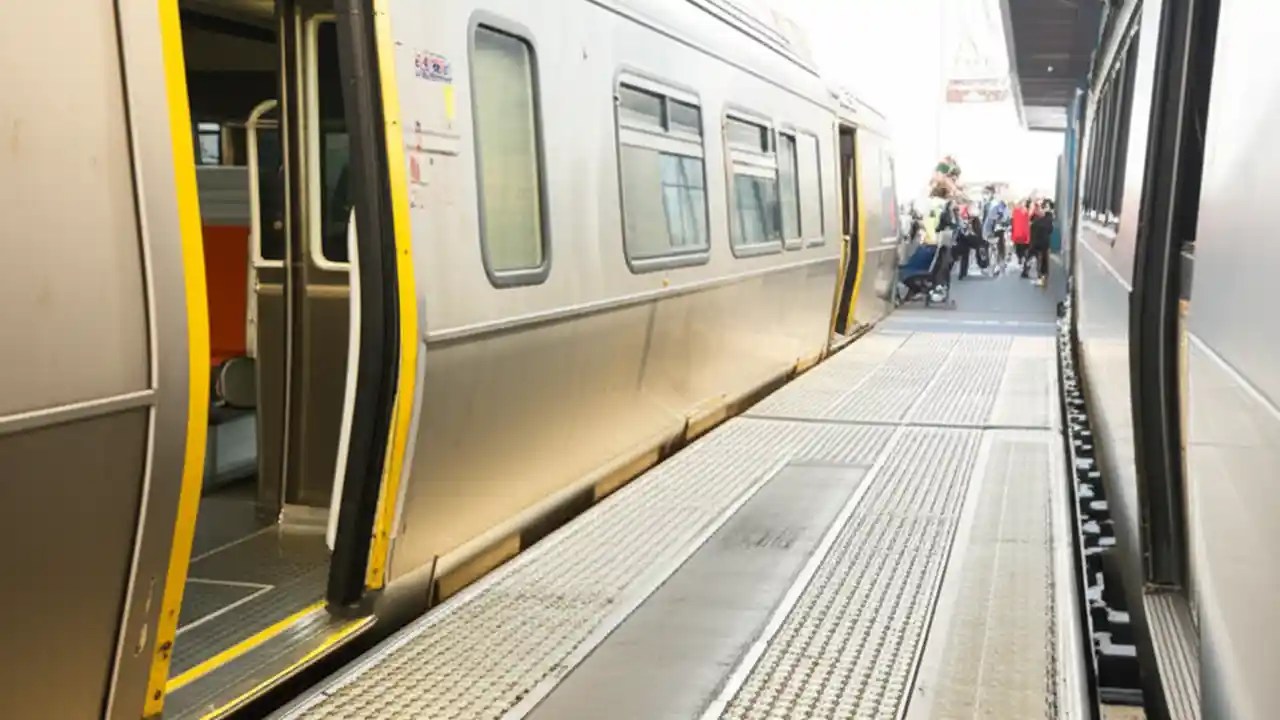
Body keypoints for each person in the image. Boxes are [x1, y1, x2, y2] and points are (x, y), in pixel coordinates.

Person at [1027, 199, 1055, 286]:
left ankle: (1041, 278)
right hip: (1044, 242)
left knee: (1041, 261)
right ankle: (1042, 278)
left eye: (1045, 206)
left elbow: (1035, 227)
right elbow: (1050, 230)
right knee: (1043, 261)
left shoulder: (1044, 219)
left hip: (1039, 242)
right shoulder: (1048, 218)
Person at [1011, 199, 1032, 266]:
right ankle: (1024, 259)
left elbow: (1013, 221)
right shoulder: (1025, 211)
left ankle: (1020, 258)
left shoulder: (1015, 211)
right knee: (1024, 248)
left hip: (1018, 234)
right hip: (1023, 234)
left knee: (1018, 248)